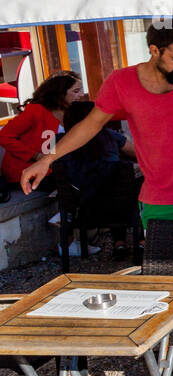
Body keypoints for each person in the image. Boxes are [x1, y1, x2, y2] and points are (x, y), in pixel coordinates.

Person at [20, 24, 173, 349]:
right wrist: (46, 160)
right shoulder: (120, 83)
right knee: (166, 277)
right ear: (154, 51)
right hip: (162, 200)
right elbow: (90, 125)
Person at [54, 100, 141, 260]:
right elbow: (137, 154)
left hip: (81, 211)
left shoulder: (58, 141)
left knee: (105, 186)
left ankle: (72, 242)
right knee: (126, 183)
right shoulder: (109, 137)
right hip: (120, 208)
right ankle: (125, 242)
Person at [0, 71, 83, 188]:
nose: (81, 95)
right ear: (59, 93)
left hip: (55, 169)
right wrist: (35, 155)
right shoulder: (36, 111)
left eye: (80, 90)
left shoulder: (72, 112)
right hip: (26, 172)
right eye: (76, 91)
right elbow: (3, 136)